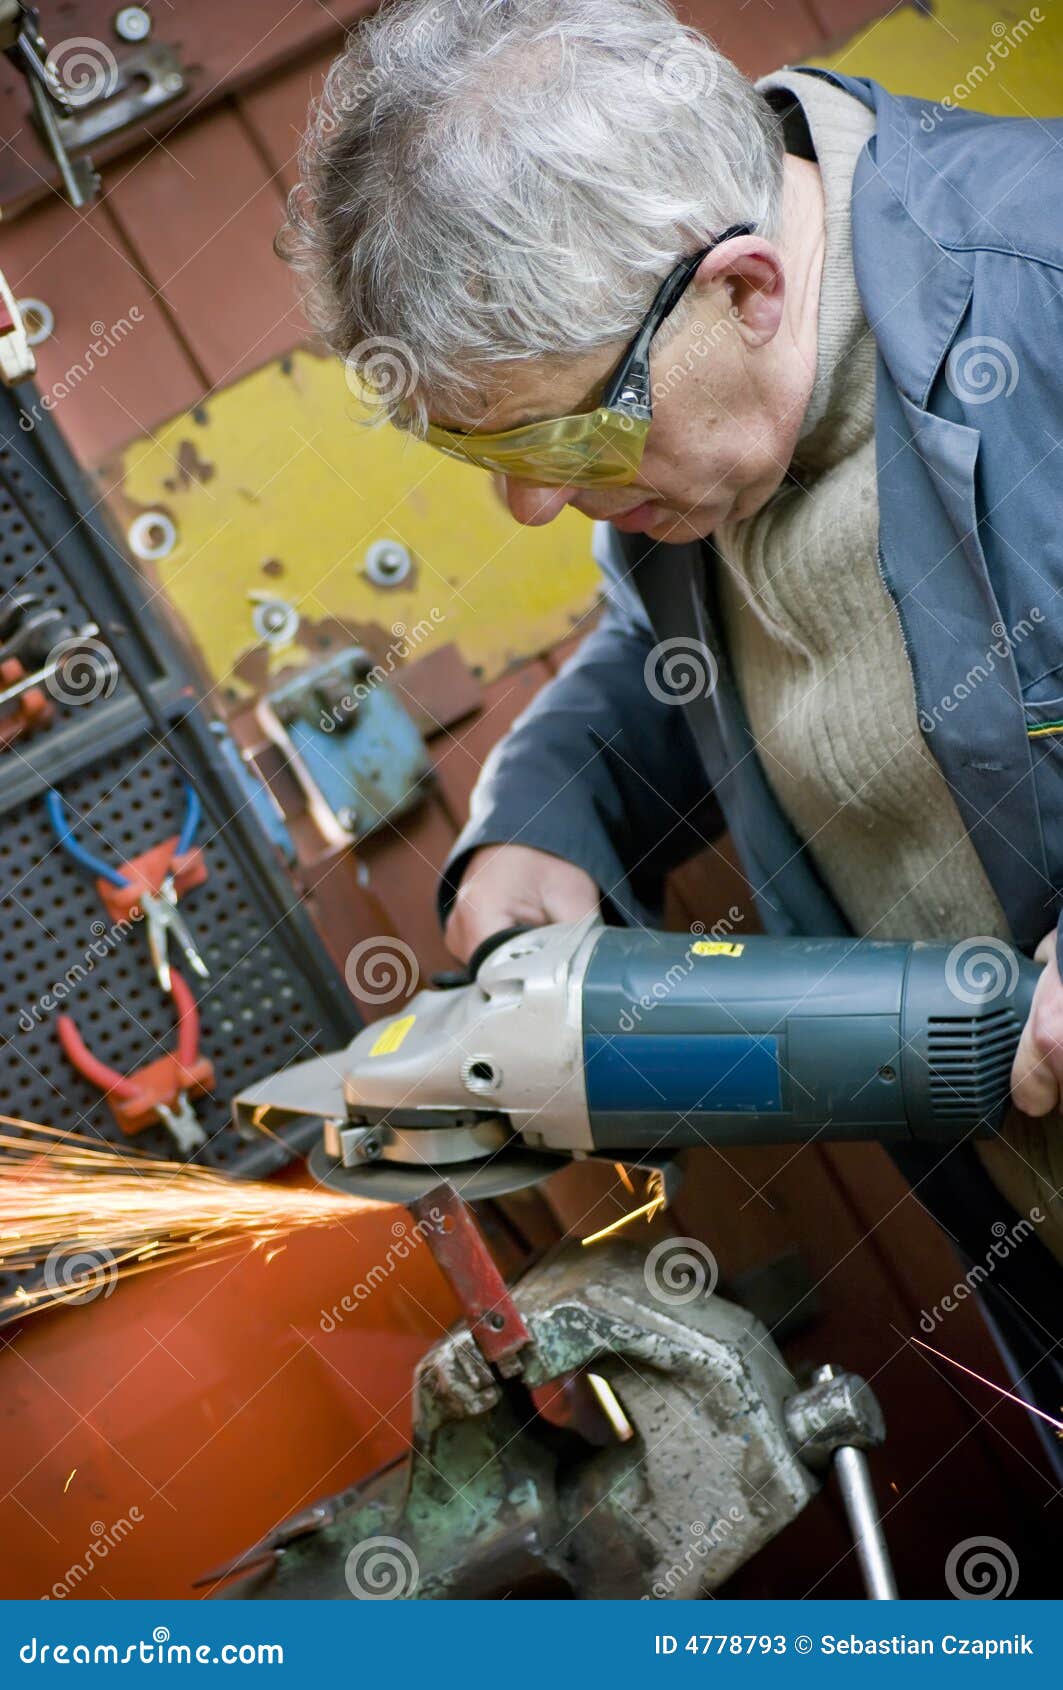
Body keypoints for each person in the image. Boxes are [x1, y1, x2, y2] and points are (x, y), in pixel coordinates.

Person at [283, 0, 1063, 1456]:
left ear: (748, 289)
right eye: (486, 455)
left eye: (557, 442)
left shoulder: (1044, 278)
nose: (529, 502)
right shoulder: (701, 470)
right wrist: (538, 823)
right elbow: (672, 665)